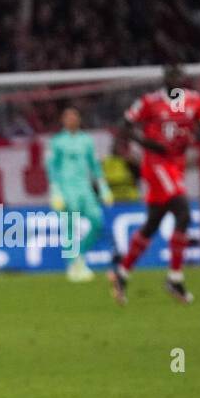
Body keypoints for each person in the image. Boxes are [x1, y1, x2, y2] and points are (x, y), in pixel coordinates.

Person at [111, 65, 200, 304]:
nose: (174, 80)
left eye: (178, 76)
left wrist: (197, 137)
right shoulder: (149, 102)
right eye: (170, 76)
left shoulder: (195, 101)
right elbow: (124, 125)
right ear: (164, 80)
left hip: (177, 164)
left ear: (183, 79)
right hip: (156, 164)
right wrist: (147, 143)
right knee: (183, 213)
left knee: (153, 222)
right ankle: (175, 278)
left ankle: (122, 272)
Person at [47, 106, 112, 283]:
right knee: (69, 228)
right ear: (63, 120)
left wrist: (103, 187)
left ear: (79, 119)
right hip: (66, 188)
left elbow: (95, 165)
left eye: (74, 116)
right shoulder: (57, 142)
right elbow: (52, 167)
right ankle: (73, 265)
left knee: (97, 222)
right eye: (68, 117)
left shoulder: (87, 141)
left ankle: (80, 255)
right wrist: (55, 191)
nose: (71, 120)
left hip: (85, 188)